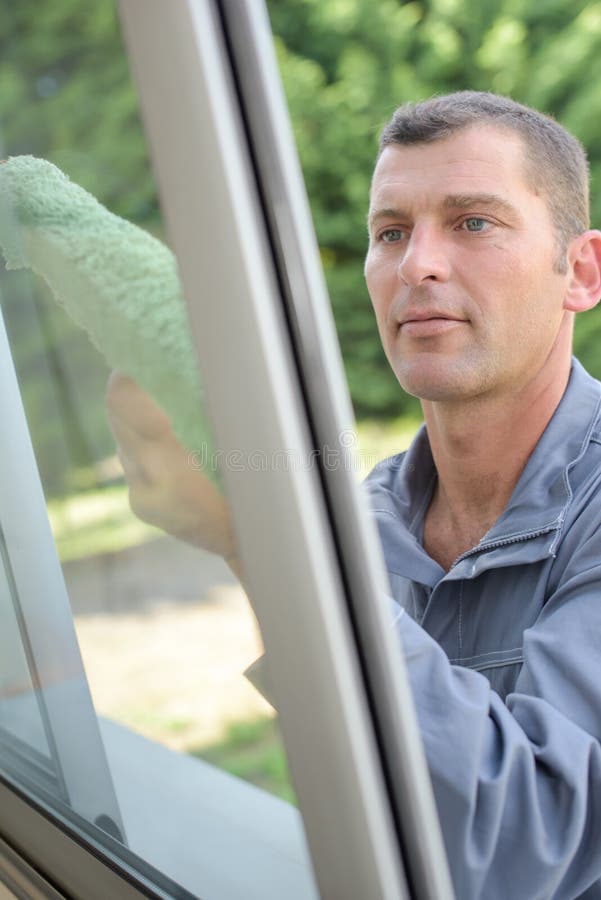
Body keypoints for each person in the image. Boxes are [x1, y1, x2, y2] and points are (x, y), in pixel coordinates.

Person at [106, 91, 601, 899]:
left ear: (578, 273)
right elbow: (357, 798)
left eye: (473, 222)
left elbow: (524, 845)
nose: (417, 265)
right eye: (390, 233)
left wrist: (257, 541)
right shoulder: (361, 518)